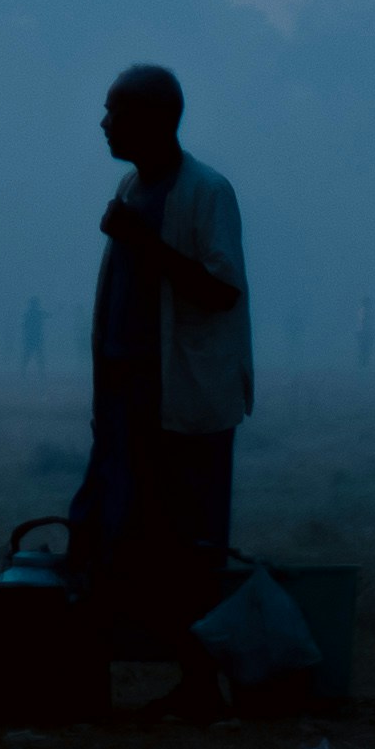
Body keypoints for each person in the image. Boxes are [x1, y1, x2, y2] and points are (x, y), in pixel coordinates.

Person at [69, 61, 253, 642]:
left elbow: (222, 291)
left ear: (151, 119)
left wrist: (143, 241)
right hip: (128, 403)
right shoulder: (132, 189)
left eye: (114, 109)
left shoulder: (206, 192)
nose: (103, 122)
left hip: (182, 403)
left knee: (187, 542)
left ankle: (195, 678)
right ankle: (129, 661)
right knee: (113, 533)